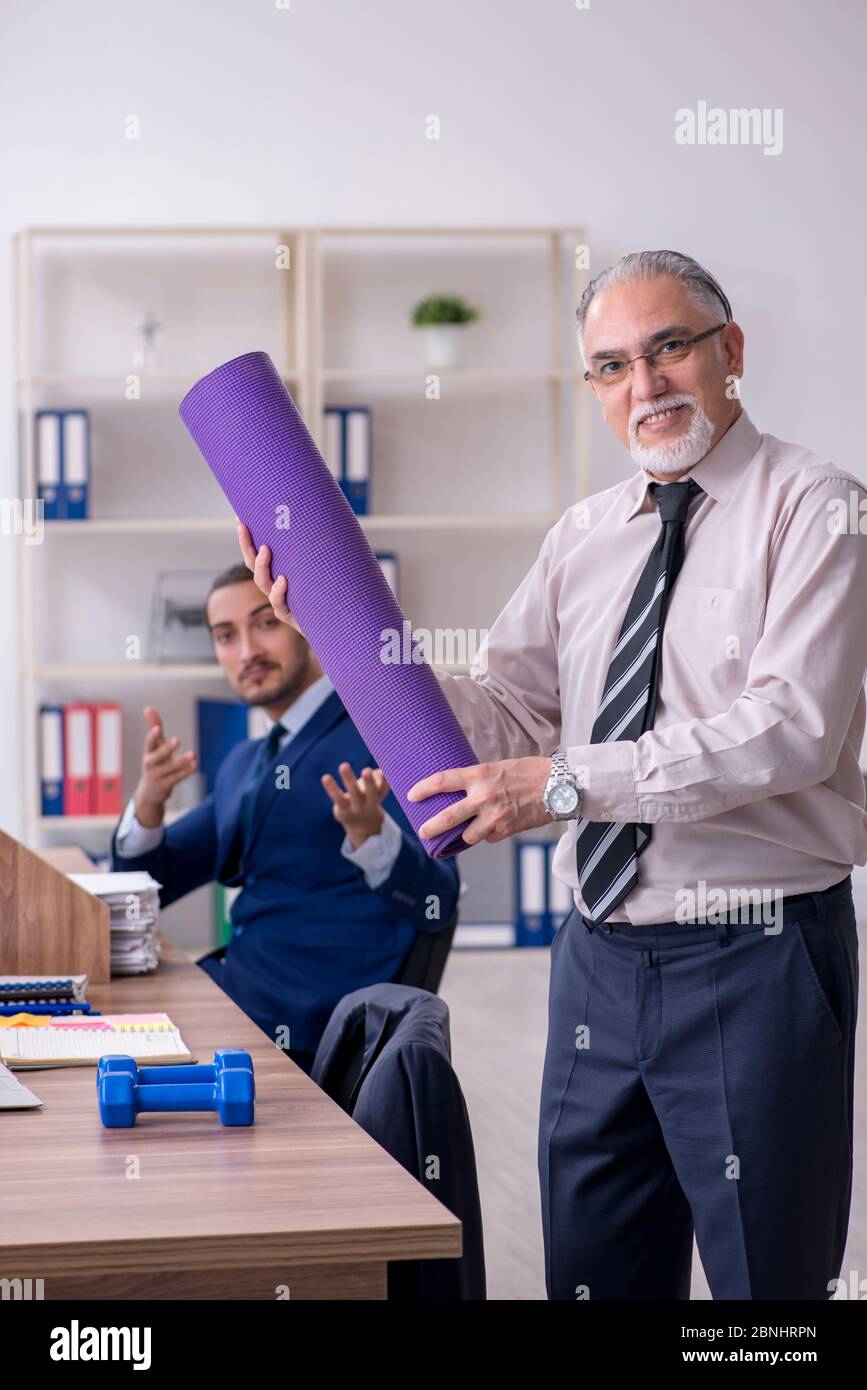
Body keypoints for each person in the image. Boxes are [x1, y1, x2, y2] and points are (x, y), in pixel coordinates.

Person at [243, 248, 866, 1299]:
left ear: (731, 353)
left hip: (757, 958)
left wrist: (566, 785)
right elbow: (501, 711)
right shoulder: (583, 538)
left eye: (669, 348)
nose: (646, 384)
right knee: (592, 1273)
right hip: (598, 962)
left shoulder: (816, 508)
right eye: (613, 364)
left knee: (768, 1299)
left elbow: (792, 728)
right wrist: (341, 637)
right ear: (594, 388)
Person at [111, 562, 459, 1075]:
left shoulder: (381, 732)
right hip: (232, 998)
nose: (247, 651)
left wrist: (371, 835)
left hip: (306, 1031)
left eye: (265, 624)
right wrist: (149, 803)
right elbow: (145, 889)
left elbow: (438, 901)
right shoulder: (246, 761)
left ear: (305, 623)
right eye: (226, 636)